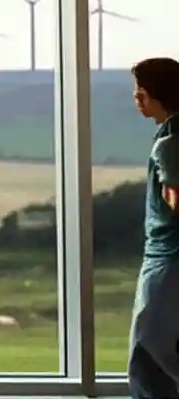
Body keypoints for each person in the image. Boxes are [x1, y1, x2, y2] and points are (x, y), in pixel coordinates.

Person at [125, 57, 179, 398]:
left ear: (146, 95)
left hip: (168, 256)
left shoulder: (169, 143)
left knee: (149, 347)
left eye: (137, 91)